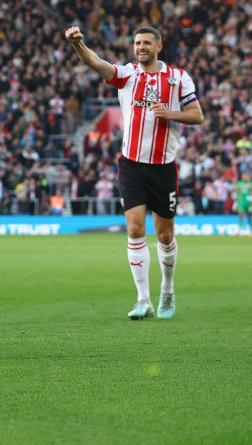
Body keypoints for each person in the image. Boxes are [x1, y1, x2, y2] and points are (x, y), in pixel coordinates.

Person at [65, 24, 203, 320]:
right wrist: (77, 43)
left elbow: (197, 115)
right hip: (131, 165)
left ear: (158, 47)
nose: (140, 47)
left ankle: (167, 290)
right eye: (137, 43)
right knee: (135, 229)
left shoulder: (178, 78)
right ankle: (144, 300)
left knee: (165, 236)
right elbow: (95, 62)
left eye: (146, 43)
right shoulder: (128, 75)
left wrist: (171, 113)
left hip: (163, 167)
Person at [235, 171, 252, 236]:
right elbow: (238, 194)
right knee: (240, 216)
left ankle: (250, 231)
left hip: (249, 202)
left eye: (245, 176)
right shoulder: (239, 184)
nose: (244, 177)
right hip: (241, 202)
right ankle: (239, 231)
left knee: (249, 216)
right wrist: (236, 202)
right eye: (243, 176)